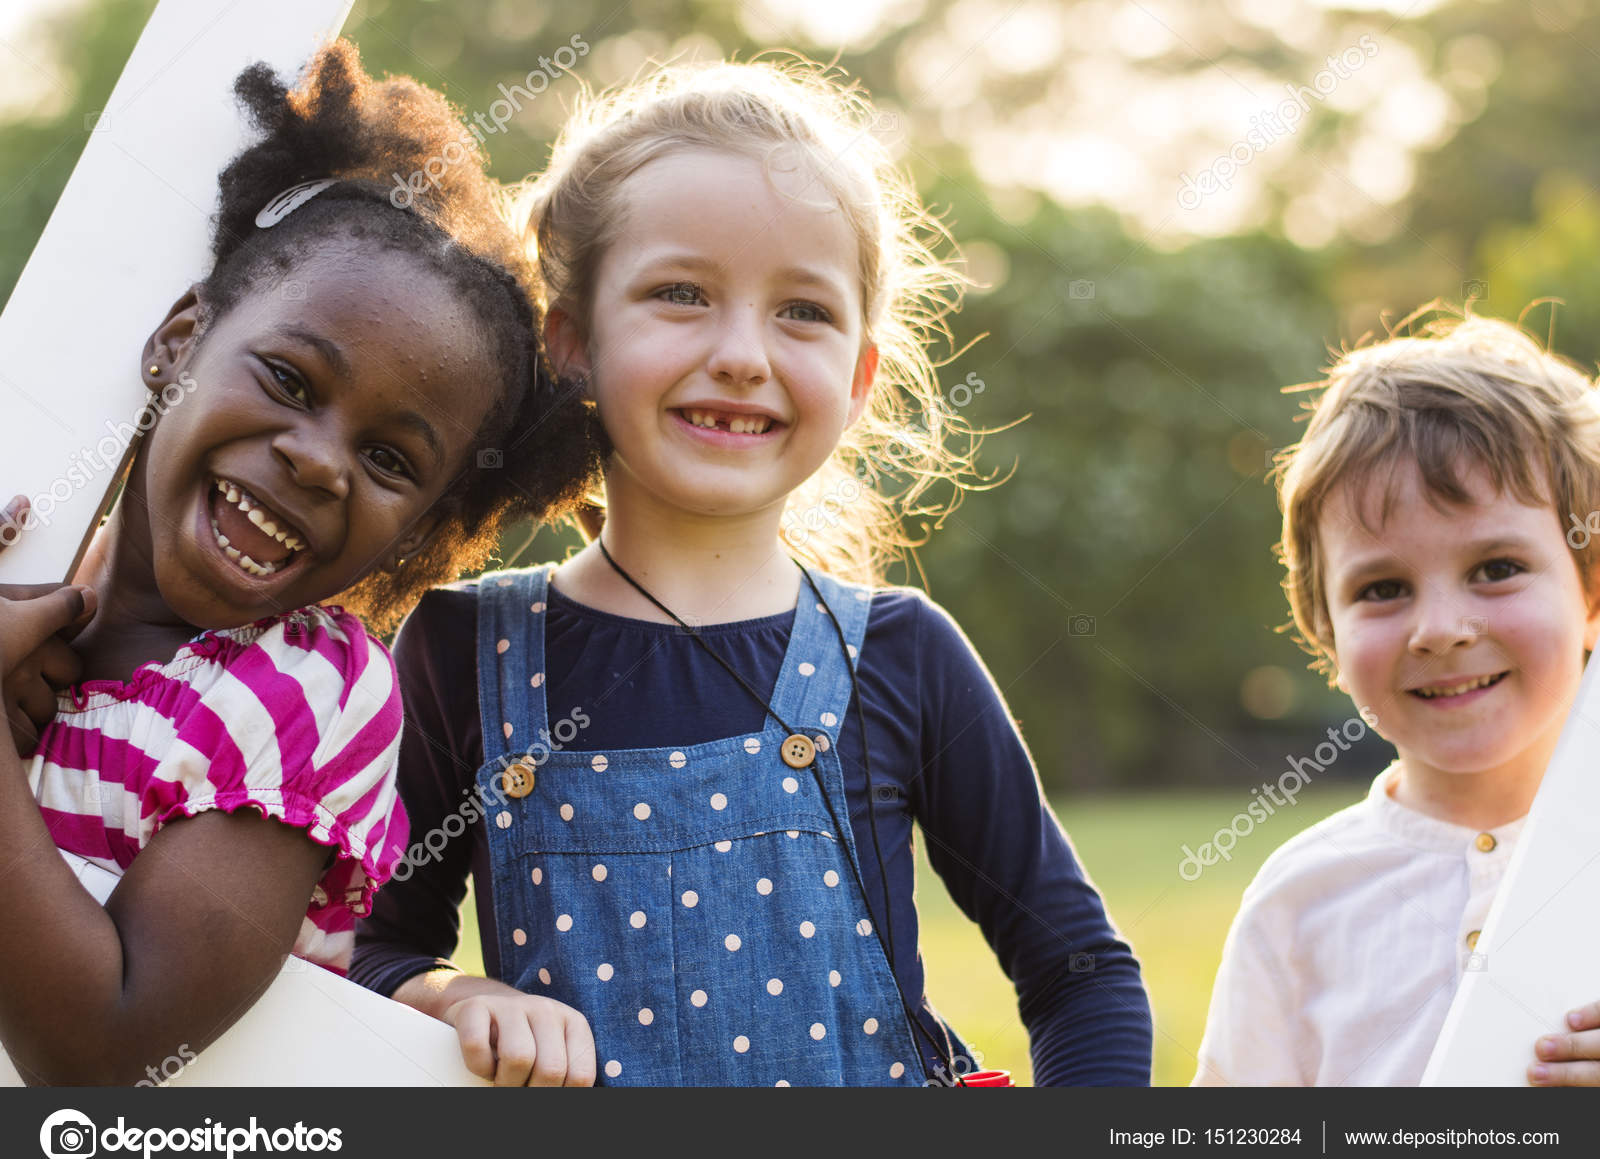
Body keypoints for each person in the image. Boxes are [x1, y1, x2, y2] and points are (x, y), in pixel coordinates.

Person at [352, 58, 1152, 1087]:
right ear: (571, 343)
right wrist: (449, 992)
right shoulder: (462, 648)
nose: (740, 353)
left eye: (803, 311)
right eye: (679, 293)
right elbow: (363, 955)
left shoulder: (903, 654)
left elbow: (1079, 973)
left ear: (861, 375)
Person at [0, 41, 599, 1086]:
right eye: (286, 377)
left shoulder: (303, 694)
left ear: (418, 531)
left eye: (387, 458)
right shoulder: (35, 569)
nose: (318, 461)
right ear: (179, 342)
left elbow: (99, 1050)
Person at [1194, 311, 1600, 1086]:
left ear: (1592, 588)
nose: (1441, 629)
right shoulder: (1299, 906)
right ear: (1326, 633)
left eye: (1496, 567)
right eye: (1383, 587)